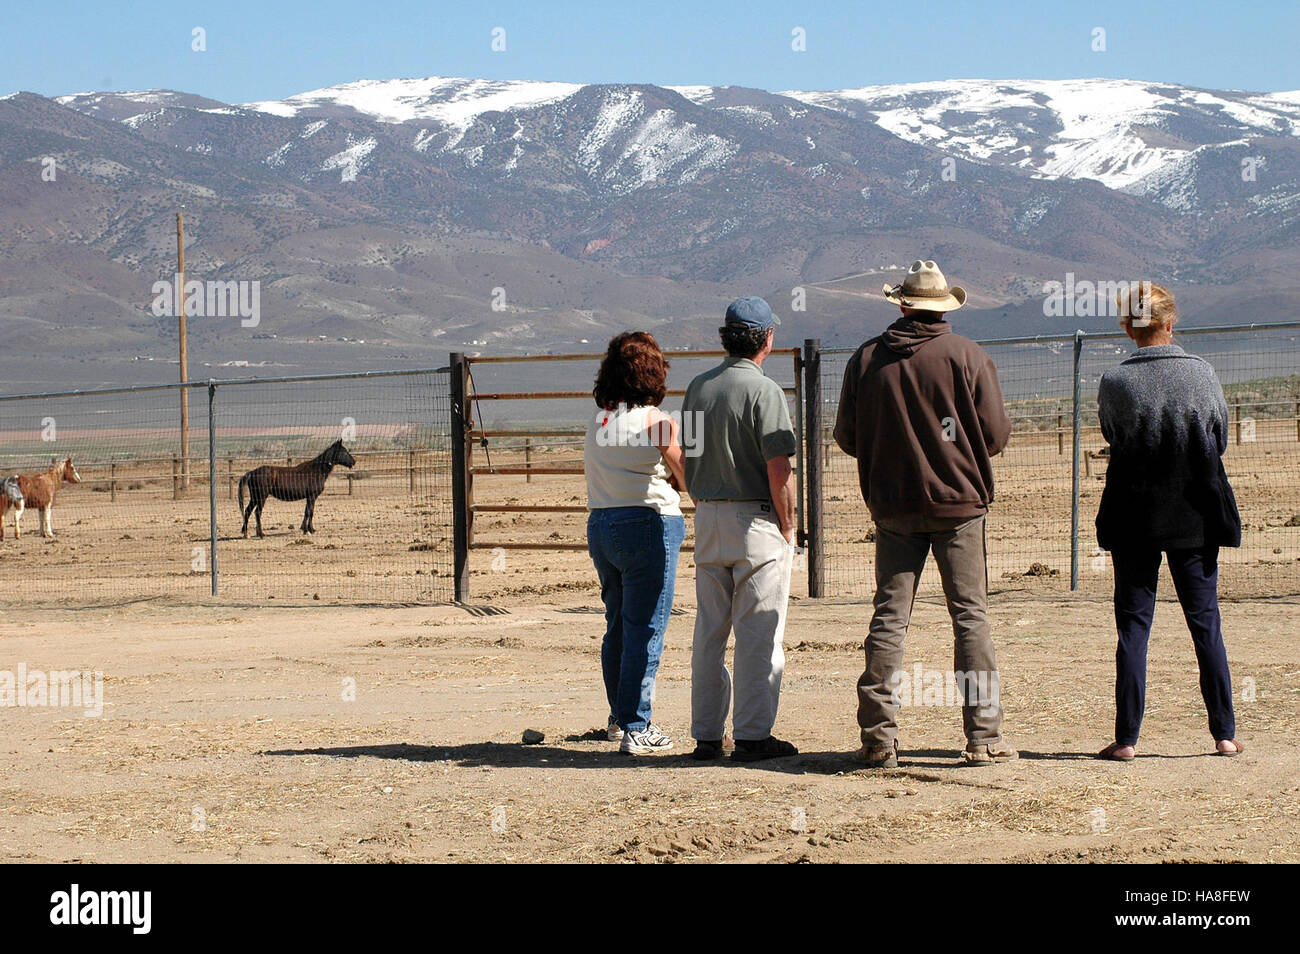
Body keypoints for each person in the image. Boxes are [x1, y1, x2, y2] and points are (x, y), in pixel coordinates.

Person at [834, 260, 1017, 768]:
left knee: (889, 619)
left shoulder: (866, 358)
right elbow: (997, 436)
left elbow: (846, 436)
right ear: (943, 306)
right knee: (970, 617)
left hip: (893, 506)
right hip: (961, 505)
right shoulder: (968, 357)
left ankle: (878, 739)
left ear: (902, 303)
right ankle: (983, 737)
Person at [1095, 283, 1244, 761]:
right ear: (1170, 322)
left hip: (1133, 515)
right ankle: (1223, 734)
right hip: (1195, 513)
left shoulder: (1115, 381)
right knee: (1206, 624)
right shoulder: (1202, 374)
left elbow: (1112, 435)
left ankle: (1127, 739)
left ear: (1127, 326)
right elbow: (1218, 437)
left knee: (1133, 626)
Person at [683, 297, 800, 762]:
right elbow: (779, 467)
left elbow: (688, 459)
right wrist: (787, 525)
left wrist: (707, 503)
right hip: (756, 520)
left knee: (710, 631)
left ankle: (707, 734)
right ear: (767, 338)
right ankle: (753, 735)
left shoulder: (697, 388)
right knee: (759, 631)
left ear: (725, 336)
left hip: (708, 515)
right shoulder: (765, 391)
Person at [584, 332, 687, 755]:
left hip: (602, 522)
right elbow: (687, 475)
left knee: (618, 624)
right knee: (647, 627)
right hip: (648, 523)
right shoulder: (658, 422)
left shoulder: (600, 419)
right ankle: (637, 725)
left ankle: (618, 716)